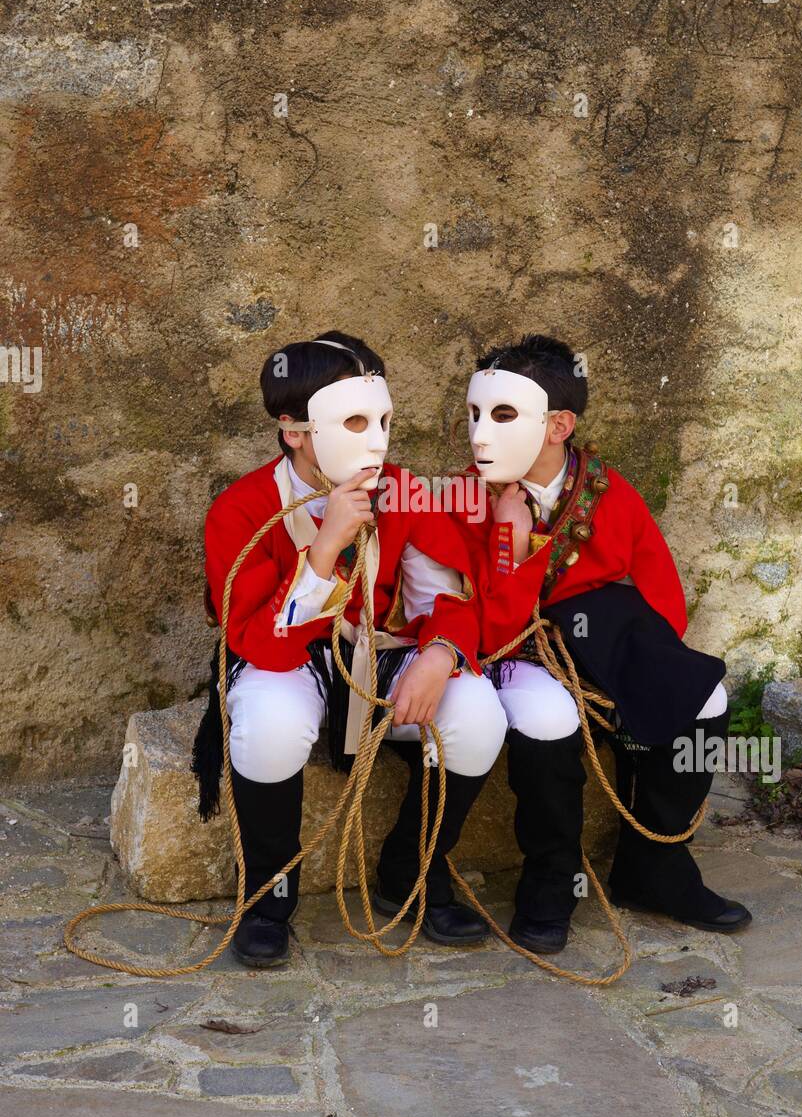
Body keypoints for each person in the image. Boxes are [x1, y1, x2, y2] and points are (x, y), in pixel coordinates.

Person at [193, 331, 506, 967]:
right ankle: (267, 898)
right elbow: (260, 639)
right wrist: (327, 547)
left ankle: (410, 869)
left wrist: (440, 655)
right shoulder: (240, 509)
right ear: (295, 431)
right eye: (354, 421)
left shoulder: (404, 492)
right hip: (291, 652)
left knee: (478, 715)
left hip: (377, 650)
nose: (376, 439)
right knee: (271, 723)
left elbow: (444, 599)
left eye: (383, 419)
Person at [456, 333, 751, 955]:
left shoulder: (608, 491)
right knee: (547, 715)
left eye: (503, 415)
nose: (481, 433)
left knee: (705, 699)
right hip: (518, 651)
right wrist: (513, 542)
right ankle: (551, 881)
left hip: (605, 641)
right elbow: (491, 623)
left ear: (557, 424)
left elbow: (659, 586)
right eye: (476, 414)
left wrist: (642, 672)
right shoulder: (467, 503)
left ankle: (658, 866)